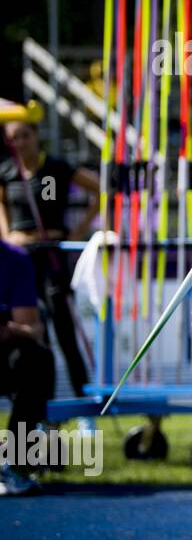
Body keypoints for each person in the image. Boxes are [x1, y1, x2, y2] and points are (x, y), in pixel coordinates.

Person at [0, 103, 98, 398]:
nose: (19, 143)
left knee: (64, 328)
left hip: (50, 257)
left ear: (36, 135)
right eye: (13, 137)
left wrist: (77, 232)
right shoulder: (6, 171)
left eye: (25, 136)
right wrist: (8, 236)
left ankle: (84, 399)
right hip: (21, 259)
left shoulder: (54, 169)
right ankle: (43, 398)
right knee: (31, 331)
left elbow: (101, 191)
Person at [0, 239, 55, 496]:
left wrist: (8, 329)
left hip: (5, 352)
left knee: (36, 360)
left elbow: (32, 327)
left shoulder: (14, 259)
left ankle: (13, 462)